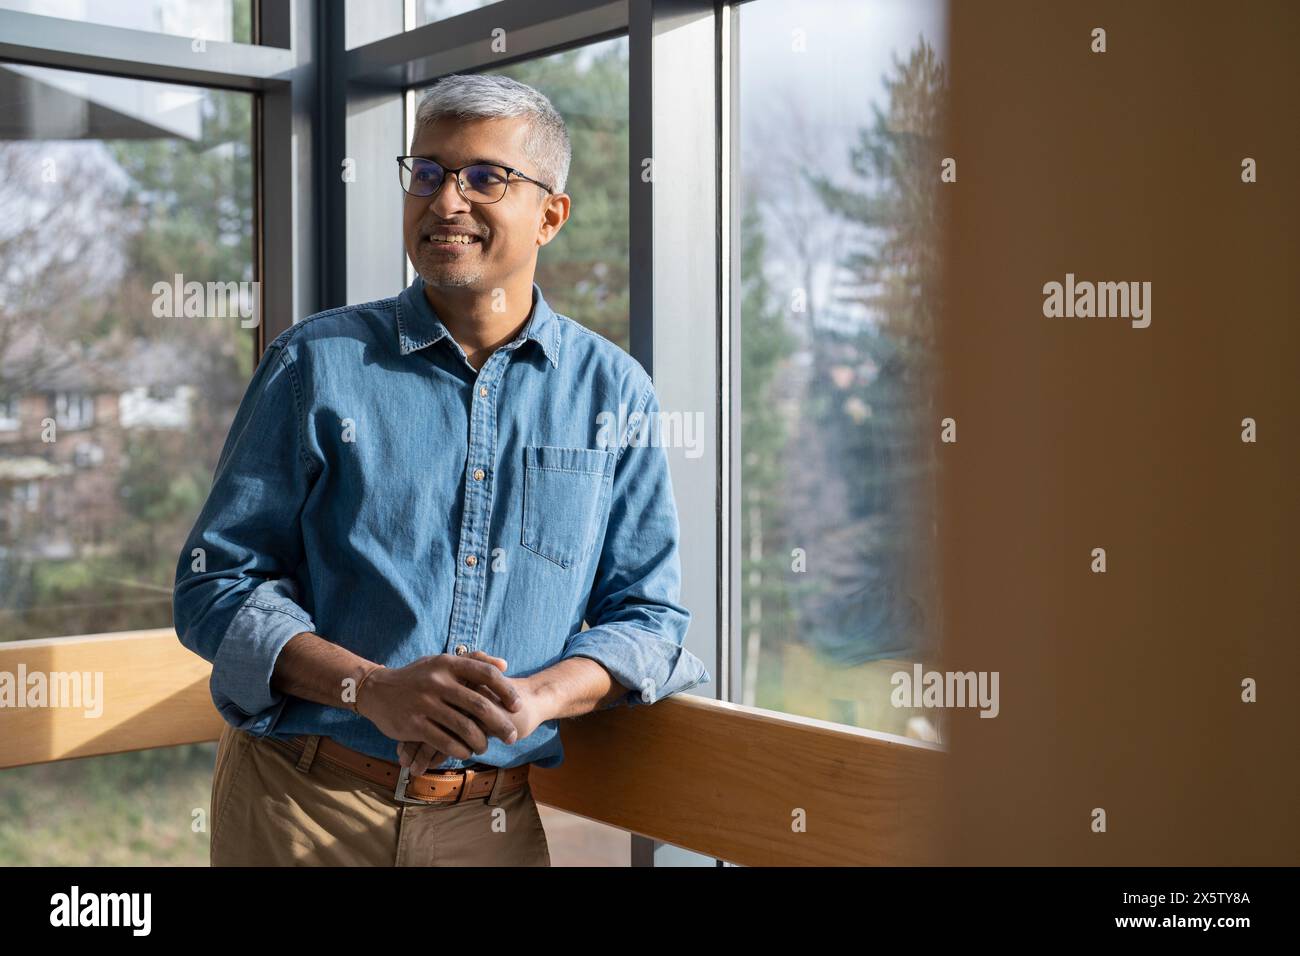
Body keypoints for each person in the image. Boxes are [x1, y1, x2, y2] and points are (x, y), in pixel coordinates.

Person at [173, 73, 710, 867]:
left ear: (550, 215)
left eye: (485, 177)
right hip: (299, 810)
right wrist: (373, 688)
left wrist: (536, 699)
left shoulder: (612, 390)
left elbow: (650, 617)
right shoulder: (313, 363)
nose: (445, 200)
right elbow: (213, 586)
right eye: (427, 173)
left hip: (490, 829)